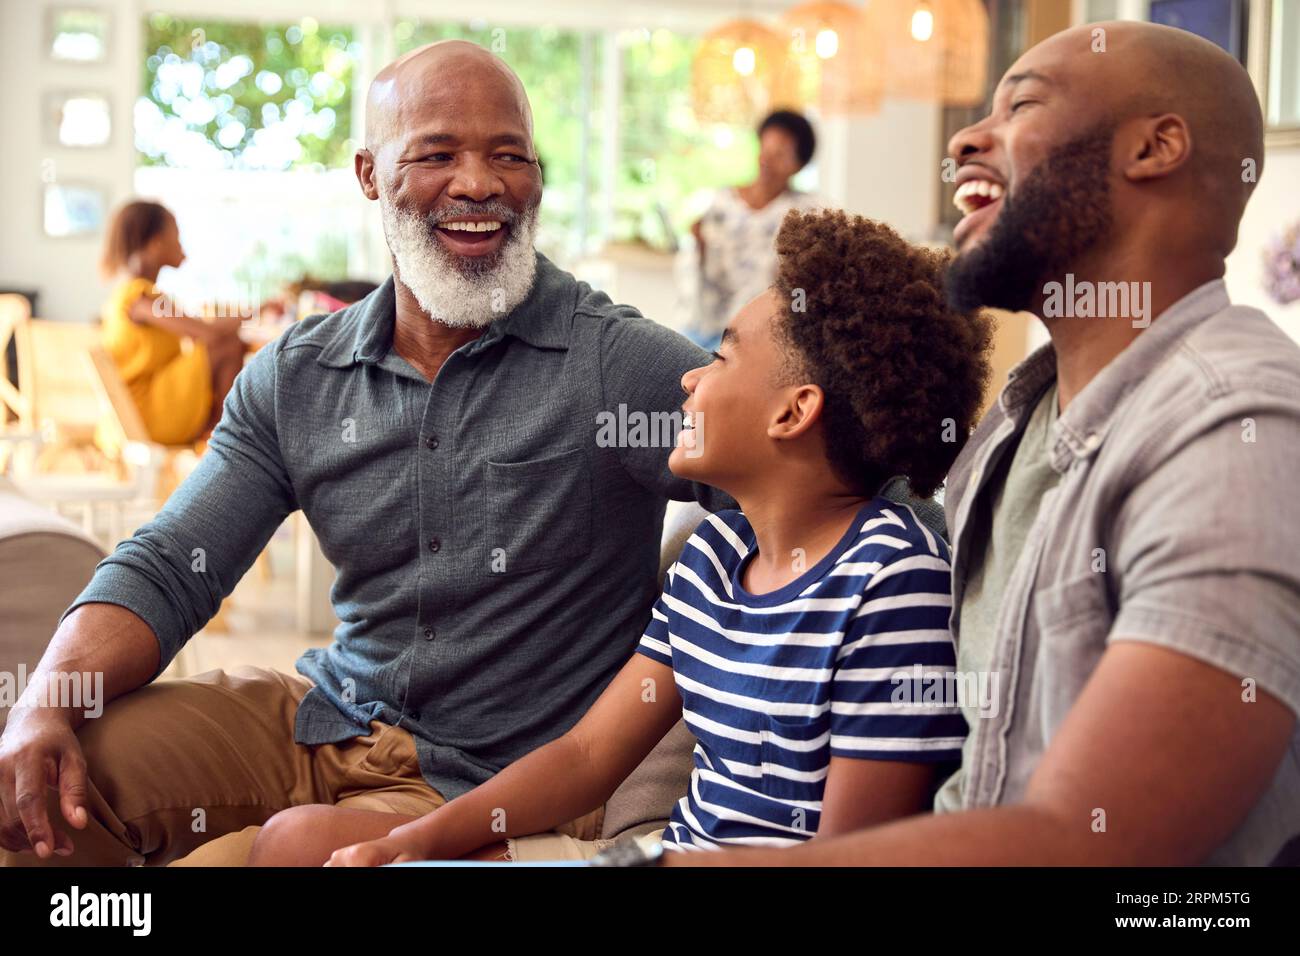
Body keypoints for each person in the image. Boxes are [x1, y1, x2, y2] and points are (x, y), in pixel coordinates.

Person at [0, 41, 940, 868]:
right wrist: (47, 696)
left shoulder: (618, 363)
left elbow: (824, 477)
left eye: (509, 157)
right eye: (438, 153)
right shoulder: (298, 376)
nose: (480, 183)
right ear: (369, 174)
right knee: (38, 791)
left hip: (498, 775)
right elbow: (169, 564)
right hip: (323, 714)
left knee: (270, 855)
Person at [668, 21, 1300, 868]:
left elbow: (1089, 842)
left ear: (1156, 147)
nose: (966, 137)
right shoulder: (1011, 426)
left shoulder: (1234, 431)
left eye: (1022, 106)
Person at [314, 209, 991, 866]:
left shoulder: (895, 586)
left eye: (722, 358)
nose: (689, 379)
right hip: (667, 858)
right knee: (301, 844)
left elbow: (851, 861)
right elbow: (586, 759)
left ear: (793, 411)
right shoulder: (713, 557)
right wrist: (420, 840)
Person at [99, 200, 246, 444]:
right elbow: (206, 333)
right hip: (142, 416)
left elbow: (195, 327)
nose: (181, 245)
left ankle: (219, 435)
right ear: (155, 243)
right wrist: (251, 313)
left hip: (137, 412)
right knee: (227, 344)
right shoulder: (140, 296)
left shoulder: (138, 293)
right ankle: (223, 440)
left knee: (224, 342)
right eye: (176, 236)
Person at [685, 110, 822, 352]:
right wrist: (699, 244)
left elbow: (805, 285)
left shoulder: (806, 213)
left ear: (799, 165)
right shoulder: (722, 203)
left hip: (766, 339)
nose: (768, 161)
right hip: (707, 329)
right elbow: (698, 272)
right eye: (765, 150)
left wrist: (801, 326)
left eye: (780, 155)